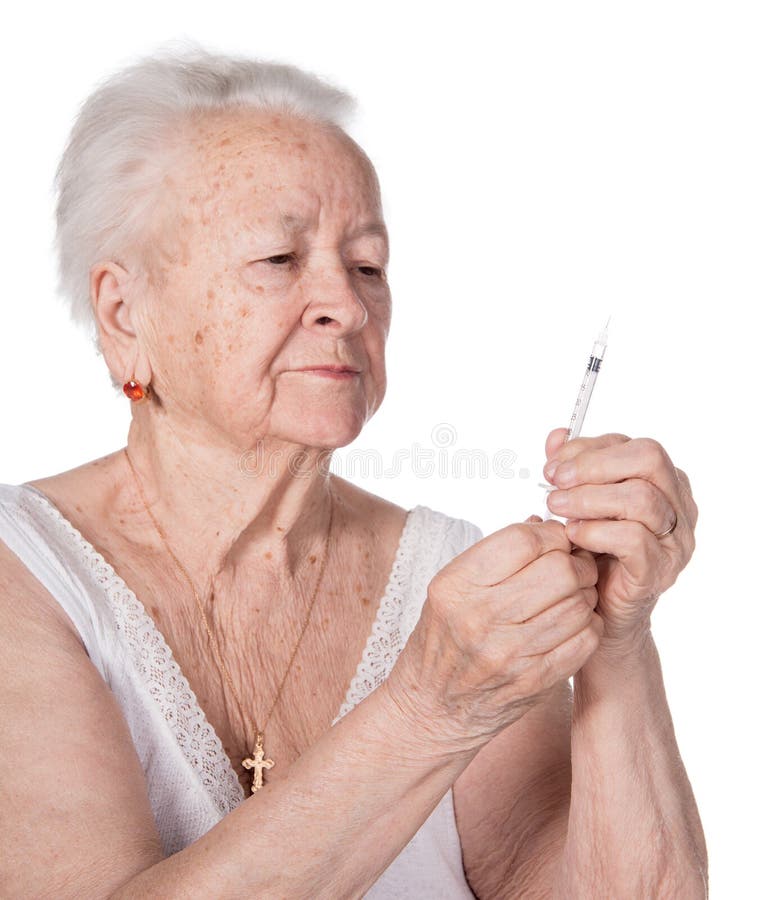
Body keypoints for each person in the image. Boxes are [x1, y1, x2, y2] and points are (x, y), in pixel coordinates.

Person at [0, 43, 707, 898]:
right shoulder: (24, 572)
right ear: (124, 313)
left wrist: (620, 640)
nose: (348, 301)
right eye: (279, 259)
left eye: (368, 263)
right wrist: (430, 708)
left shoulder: (448, 580)